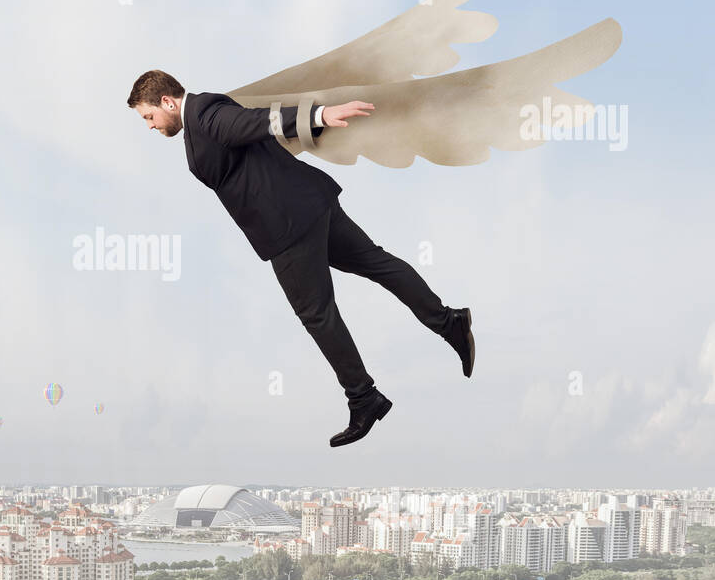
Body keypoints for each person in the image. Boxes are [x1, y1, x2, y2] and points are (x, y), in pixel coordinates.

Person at [127, 69, 474, 447]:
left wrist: (317, 116)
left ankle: (364, 397)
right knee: (375, 262)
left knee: (318, 315)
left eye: (149, 116)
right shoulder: (202, 117)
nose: (150, 126)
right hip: (311, 205)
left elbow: (257, 122)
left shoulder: (205, 114)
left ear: (167, 101)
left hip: (289, 228)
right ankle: (449, 322)